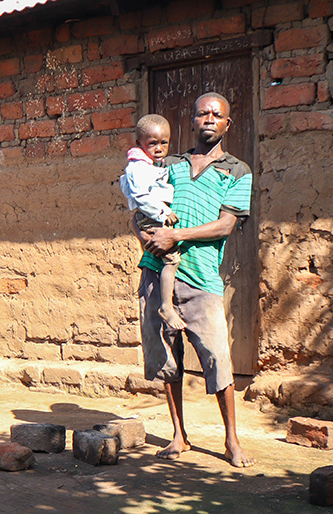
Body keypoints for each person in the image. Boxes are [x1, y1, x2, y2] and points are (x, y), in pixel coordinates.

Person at [135, 92, 255, 468]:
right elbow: (139, 207)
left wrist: (177, 237)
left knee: (218, 357)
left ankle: (231, 441)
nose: (208, 119)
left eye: (216, 115)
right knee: (169, 358)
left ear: (226, 124)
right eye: (202, 113)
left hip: (202, 278)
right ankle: (179, 436)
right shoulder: (168, 164)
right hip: (157, 273)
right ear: (192, 120)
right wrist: (148, 239)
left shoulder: (238, 171)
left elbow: (226, 225)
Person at [120, 114, 186, 330]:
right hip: (152, 216)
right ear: (140, 143)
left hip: (154, 215)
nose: (159, 148)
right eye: (152, 143)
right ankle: (166, 306)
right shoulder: (137, 167)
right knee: (171, 260)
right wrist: (163, 212)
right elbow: (141, 197)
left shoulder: (149, 163)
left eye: (163, 142)